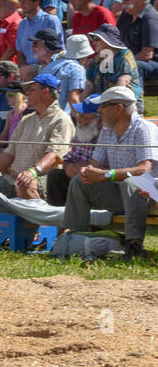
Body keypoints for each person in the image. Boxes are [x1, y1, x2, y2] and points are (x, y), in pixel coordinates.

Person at [60, 87, 157, 262]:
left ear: (119, 108)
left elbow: (143, 170)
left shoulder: (144, 129)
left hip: (149, 196)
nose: (99, 110)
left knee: (132, 182)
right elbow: (95, 165)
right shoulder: (107, 130)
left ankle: (133, 246)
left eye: (104, 106)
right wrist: (87, 172)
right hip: (119, 193)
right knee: (78, 182)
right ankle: (75, 239)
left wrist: (104, 175)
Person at [0, 74, 73, 200]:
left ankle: (35, 220)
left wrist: (33, 172)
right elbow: (9, 152)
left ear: (45, 92)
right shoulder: (26, 119)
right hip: (14, 177)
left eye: (32, 90)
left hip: (43, 178)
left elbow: (54, 155)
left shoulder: (61, 120)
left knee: (24, 185)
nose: (27, 93)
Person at [86, 24, 142, 102]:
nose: (94, 43)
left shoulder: (124, 55)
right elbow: (89, 85)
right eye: (93, 39)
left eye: (97, 39)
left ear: (107, 40)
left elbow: (123, 81)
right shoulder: (97, 59)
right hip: (100, 103)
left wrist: (110, 105)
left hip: (124, 105)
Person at [115, 0, 158, 79]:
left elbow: (147, 55)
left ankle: (135, 94)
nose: (123, 1)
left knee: (132, 66)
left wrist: (121, 61)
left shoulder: (150, 17)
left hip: (153, 63)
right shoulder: (126, 14)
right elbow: (115, 40)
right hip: (134, 59)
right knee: (102, 65)